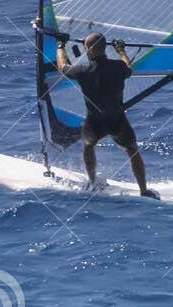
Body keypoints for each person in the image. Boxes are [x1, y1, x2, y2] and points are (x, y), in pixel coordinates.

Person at [35, 21, 159, 199]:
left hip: (95, 121)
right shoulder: (119, 67)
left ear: (88, 50)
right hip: (117, 118)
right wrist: (121, 49)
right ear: (104, 48)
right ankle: (144, 190)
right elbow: (128, 68)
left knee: (88, 145)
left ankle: (93, 183)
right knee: (132, 150)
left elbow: (63, 67)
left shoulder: (83, 70)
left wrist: (61, 45)